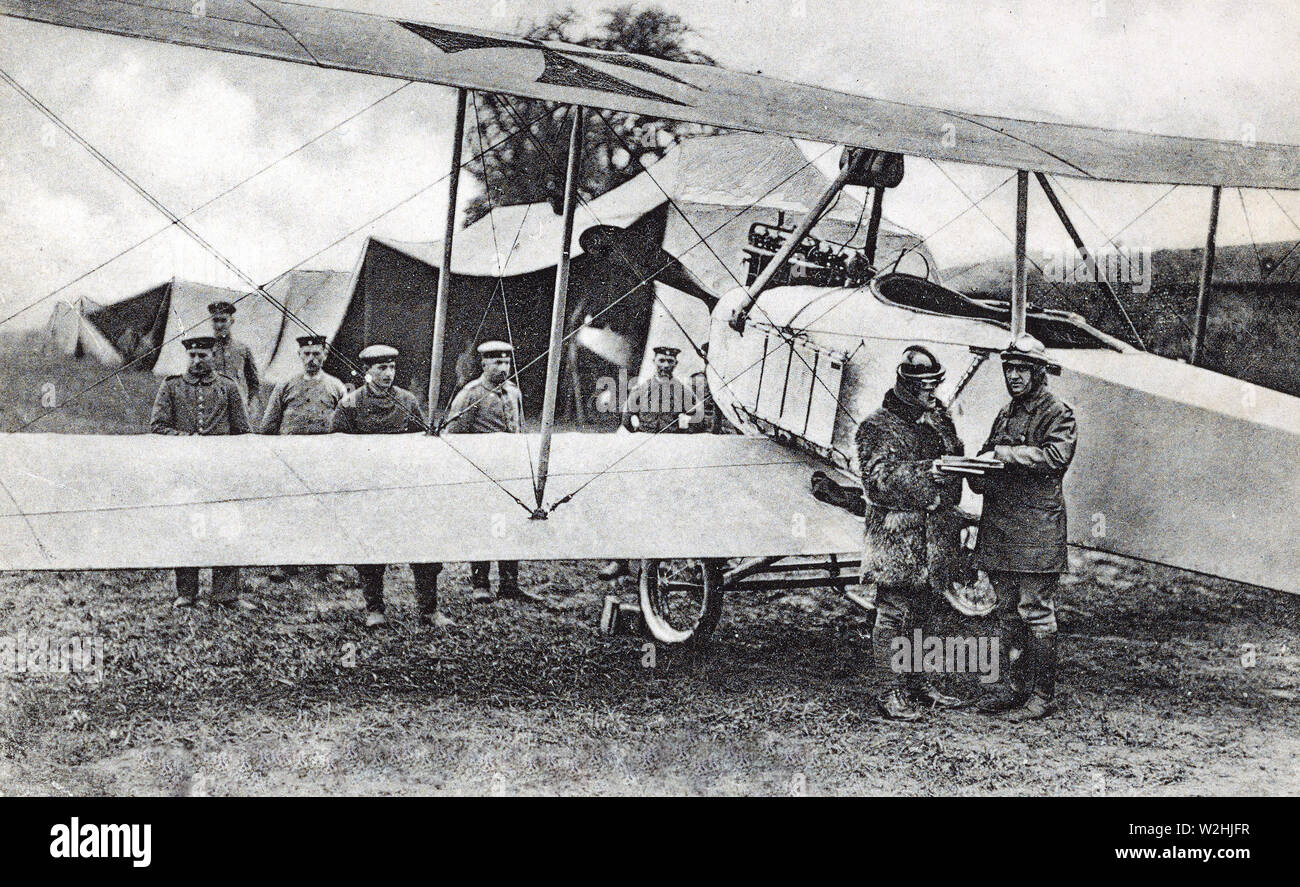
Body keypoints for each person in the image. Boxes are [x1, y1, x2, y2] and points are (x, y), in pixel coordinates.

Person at [855, 345, 968, 720]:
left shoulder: (937, 417)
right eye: (925, 386)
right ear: (906, 386)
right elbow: (878, 482)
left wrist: (953, 465)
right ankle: (890, 693)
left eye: (935, 385)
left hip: (933, 535)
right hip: (898, 537)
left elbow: (954, 457)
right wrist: (927, 472)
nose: (932, 392)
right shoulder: (876, 426)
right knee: (892, 613)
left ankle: (919, 684)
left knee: (925, 612)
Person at [968, 334, 1077, 721]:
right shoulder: (1005, 413)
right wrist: (974, 470)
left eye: (1022, 369)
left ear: (1038, 372)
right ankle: (1015, 689)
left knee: (1035, 612)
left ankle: (1042, 696)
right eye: (1009, 369)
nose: (1013, 376)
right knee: (1007, 612)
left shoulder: (1058, 413)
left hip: (1035, 531)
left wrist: (1001, 455)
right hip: (1002, 529)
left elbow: (1055, 457)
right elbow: (988, 457)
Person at [329, 344, 449, 628]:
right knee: (371, 550)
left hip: (403, 487)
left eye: (392, 367)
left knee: (422, 546)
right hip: (369, 489)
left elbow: (422, 443)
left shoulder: (407, 401)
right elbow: (336, 448)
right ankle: (375, 609)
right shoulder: (350, 404)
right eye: (381, 368)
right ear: (366, 371)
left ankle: (429, 609)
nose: (388, 373)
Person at [150, 335, 255, 611]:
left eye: (202, 356)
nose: (196, 361)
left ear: (212, 356)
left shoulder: (228, 387)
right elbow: (158, 426)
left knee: (226, 527)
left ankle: (226, 594)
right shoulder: (172, 386)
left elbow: (242, 431)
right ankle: (187, 592)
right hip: (186, 472)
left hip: (220, 472)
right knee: (188, 526)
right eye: (192, 356)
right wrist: (187, 439)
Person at [602, 345, 697, 580]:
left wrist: (682, 434)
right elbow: (626, 419)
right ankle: (620, 561)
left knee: (665, 506)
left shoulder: (681, 391)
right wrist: (640, 436)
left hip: (669, 453)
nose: (665, 365)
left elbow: (698, 417)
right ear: (654, 362)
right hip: (644, 452)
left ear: (675, 364)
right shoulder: (641, 388)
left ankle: (660, 562)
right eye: (661, 360)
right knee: (631, 502)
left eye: (670, 362)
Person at [444, 340, 529, 602]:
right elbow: (454, 435)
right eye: (496, 362)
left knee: (509, 524)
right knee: (484, 525)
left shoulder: (513, 393)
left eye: (506, 362)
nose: (503, 367)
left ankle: (509, 584)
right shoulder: (471, 394)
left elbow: (519, 429)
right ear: (483, 364)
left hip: (510, 471)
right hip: (482, 473)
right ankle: (480, 584)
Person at [259, 334, 348, 581]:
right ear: (299, 355)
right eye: (306, 354)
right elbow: (268, 425)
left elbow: (347, 427)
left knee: (325, 510)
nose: (311, 359)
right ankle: (286, 563)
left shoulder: (337, 387)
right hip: (292, 461)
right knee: (290, 510)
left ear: (325, 355)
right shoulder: (285, 385)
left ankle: (327, 566)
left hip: (324, 460)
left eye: (316, 353)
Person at [206, 300, 260, 412]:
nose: (219, 325)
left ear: (231, 321)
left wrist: (251, 405)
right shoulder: (205, 350)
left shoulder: (242, 349)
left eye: (223, 320)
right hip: (212, 408)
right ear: (211, 322)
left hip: (237, 407)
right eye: (215, 320)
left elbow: (253, 382)